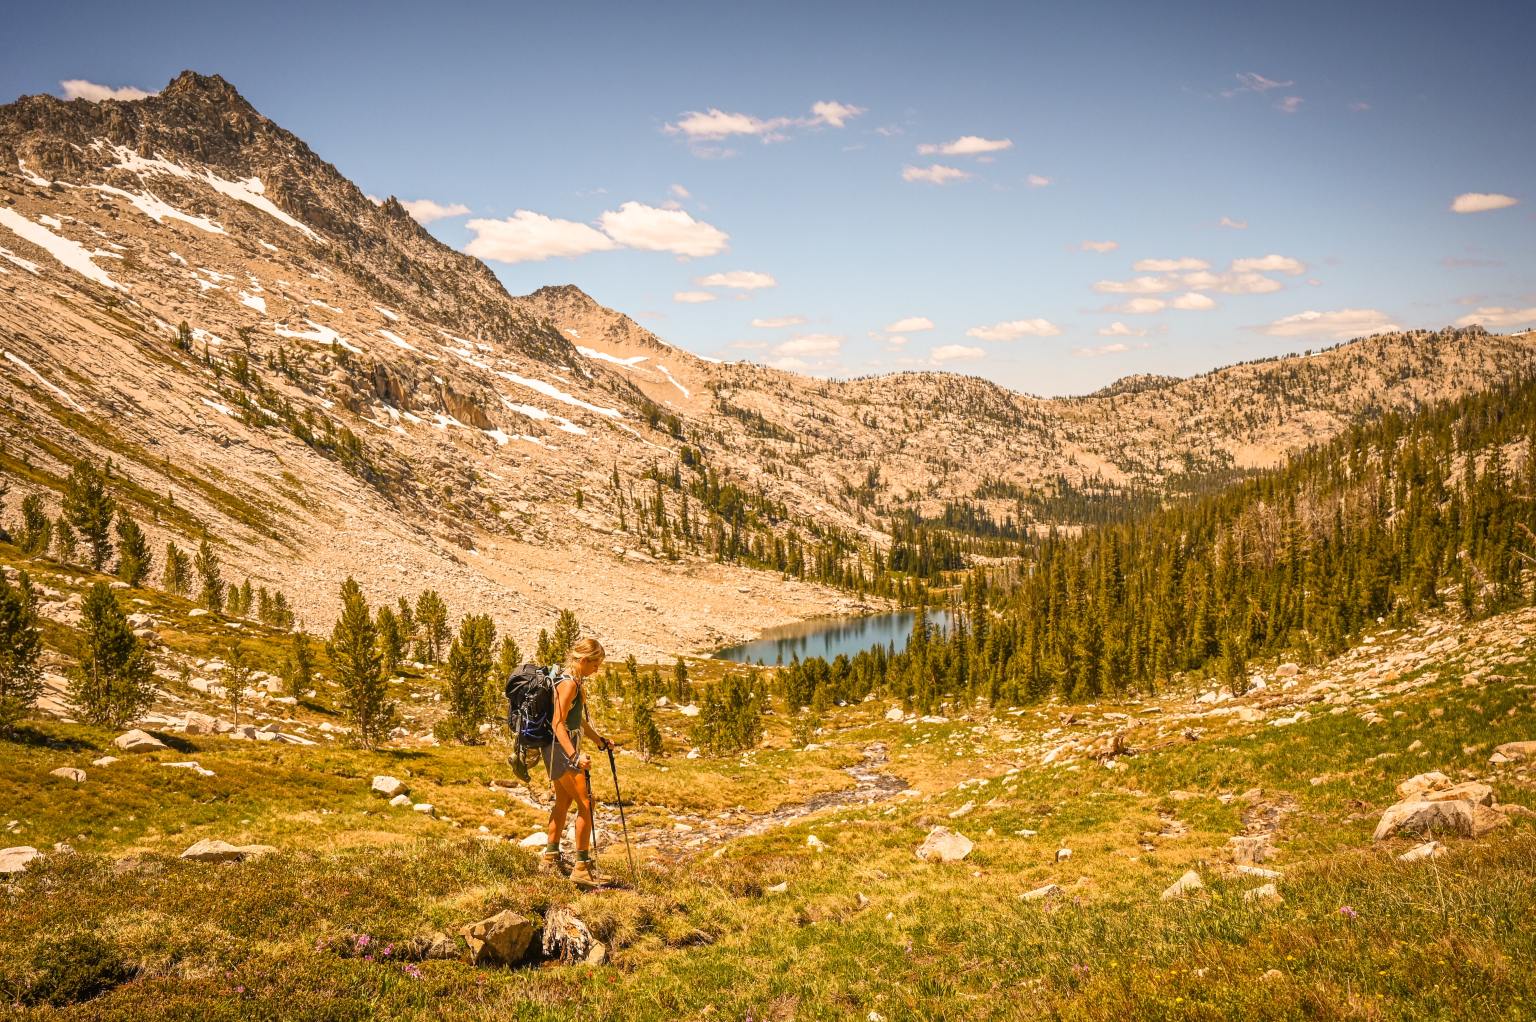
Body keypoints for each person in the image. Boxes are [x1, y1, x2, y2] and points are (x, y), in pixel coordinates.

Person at [540, 637, 615, 885]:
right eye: (595, 664)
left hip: (556, 749)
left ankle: (550, 857)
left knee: (563, 801)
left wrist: (598, 740)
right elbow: (557, 723)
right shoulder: (570, 684)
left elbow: (576, 719)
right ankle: (581, 868)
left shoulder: (570, 680)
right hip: (561, 750)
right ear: (583, 660)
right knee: (587, 803)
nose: (597, 669)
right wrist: (575, 756)